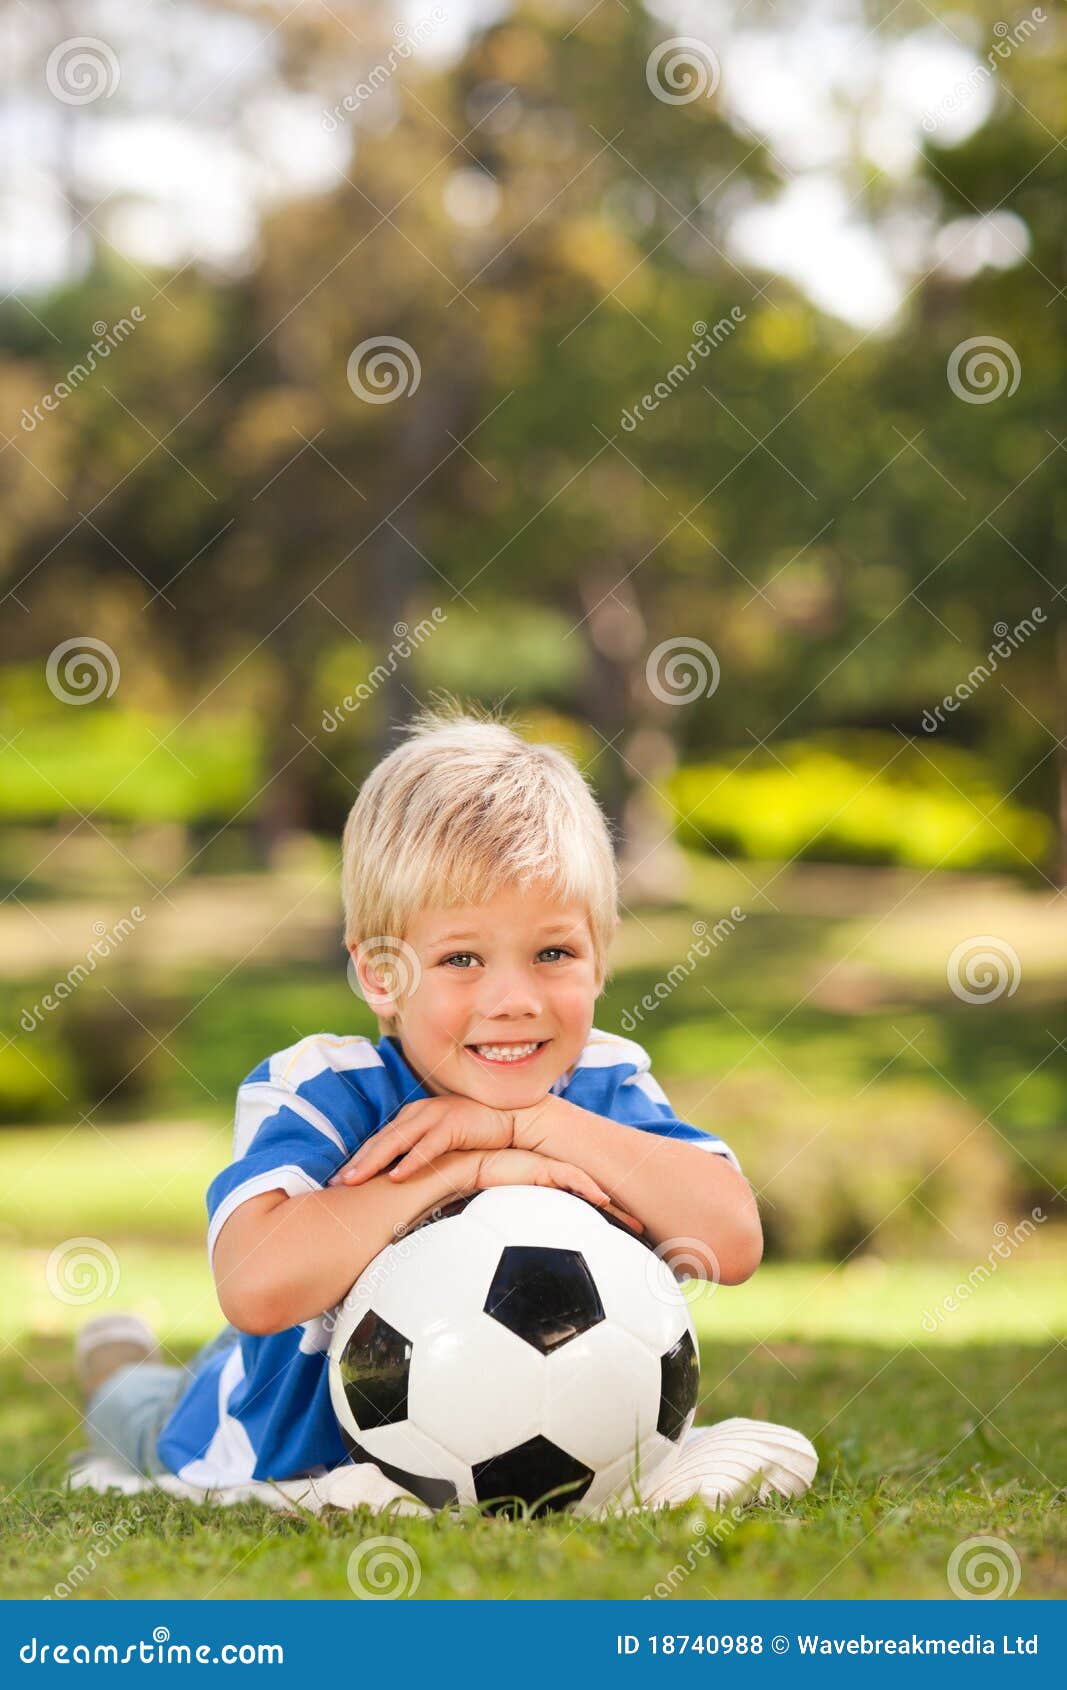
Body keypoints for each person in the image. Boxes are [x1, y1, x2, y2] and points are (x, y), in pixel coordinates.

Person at [75, 704, 816, 1513]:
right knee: (135, 1411)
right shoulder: (328, 1088)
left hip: (528, 1417)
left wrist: (527, 1124)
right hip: (250, 1424)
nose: (513, 1000)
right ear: (381, 976)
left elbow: (732, 1241)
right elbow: (256, 1288)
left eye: (553, 953)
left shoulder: (605, 1085)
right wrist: (467, 1167)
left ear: (600, 961)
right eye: (461, 957)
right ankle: (118, 1360)